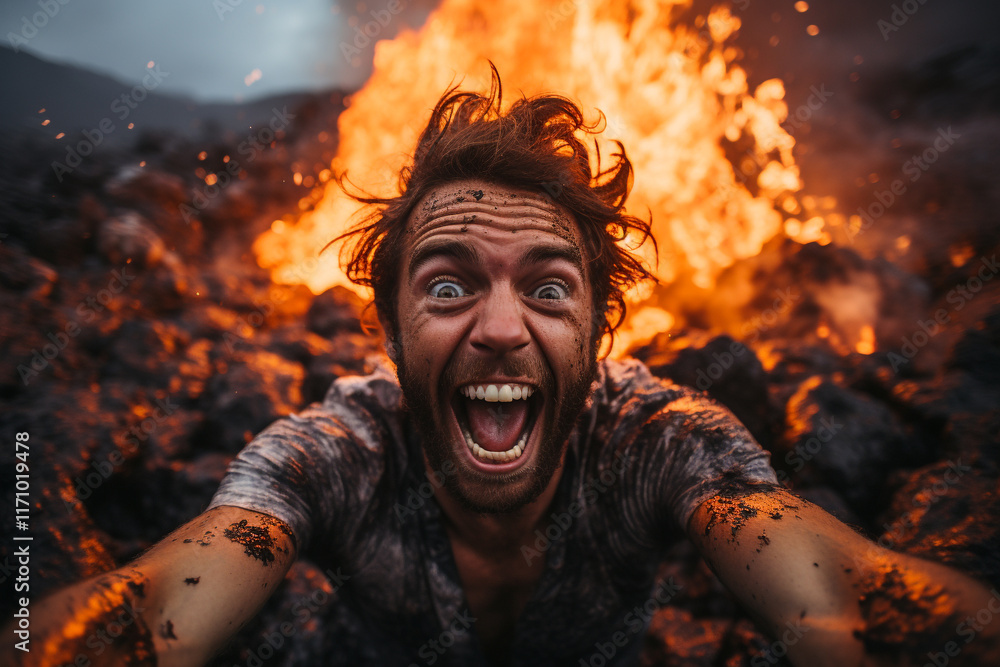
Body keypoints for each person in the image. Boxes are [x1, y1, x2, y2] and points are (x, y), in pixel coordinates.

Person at [11, 70, 1000, 667]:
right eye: (446, 287)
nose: (497, 327)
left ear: (598, 330)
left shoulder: (661, 436)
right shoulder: (332, 450)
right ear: (391, 330)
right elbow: (154, 613)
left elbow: (839, 588)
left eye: (549, 288)